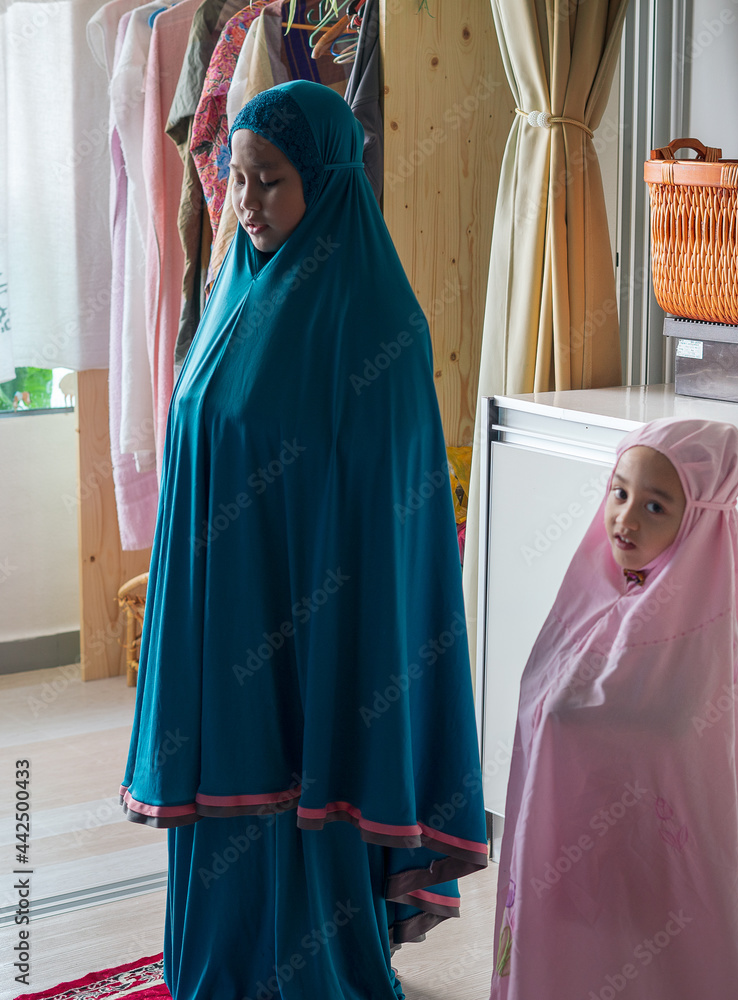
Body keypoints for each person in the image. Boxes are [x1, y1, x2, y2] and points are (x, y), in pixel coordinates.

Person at [120, 80, 488, 1000]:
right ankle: (223, 962)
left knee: (300, 800)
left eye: (269, 182)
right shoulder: (230, 300)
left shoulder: (381, 329)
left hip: (320, 638)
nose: (245, 204)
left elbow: (386, 518)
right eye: (236, 179)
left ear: (324, 182)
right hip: (228, 617)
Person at [490, 418, 738, 1000]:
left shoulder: (694, 639)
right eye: (619, 493)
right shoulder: (596, 598)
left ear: (698, 525)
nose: (626, 518)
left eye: (656, 506)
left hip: (649, 884)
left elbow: (664, 741)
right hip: (571, 870)